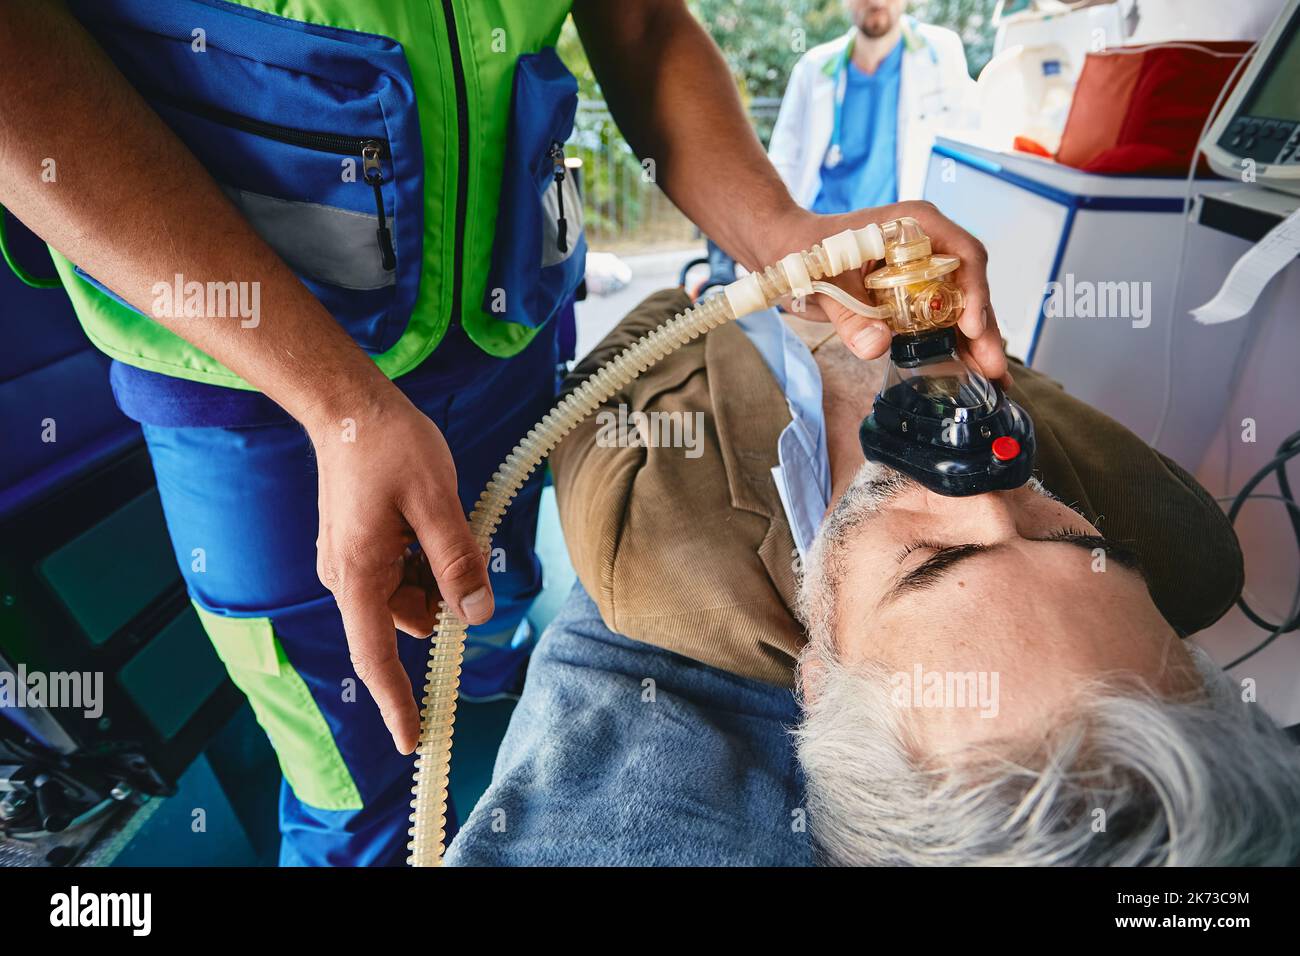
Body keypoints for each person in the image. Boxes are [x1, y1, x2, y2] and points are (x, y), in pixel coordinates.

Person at [0, 1, 999, 865]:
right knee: (356, 764)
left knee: (485, 623)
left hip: (506, 335)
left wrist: (777, 232)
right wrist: (332, 396)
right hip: (252, 394)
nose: (993, 515)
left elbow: (641, 23)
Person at [447, 285, 1300, 866]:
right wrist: (919, 344)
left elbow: (610, 370)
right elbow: (1009, 378)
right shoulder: (1178, 540)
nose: (996, 495)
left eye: (934, 561)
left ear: (819, 679)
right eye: (1076, 544)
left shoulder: (651, 561)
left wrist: (738, 285)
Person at [768, 0, 975, 211]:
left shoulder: (942, 52)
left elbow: (967, 145)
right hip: (825, 230)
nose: (877, 2)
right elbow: (784, 158)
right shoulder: (812, 68)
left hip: (897, 234)